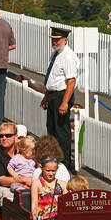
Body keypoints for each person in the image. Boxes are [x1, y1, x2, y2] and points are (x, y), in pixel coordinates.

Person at [40, 25, 79, 166]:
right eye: (53, 39)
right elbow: (52, 79)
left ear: (65, 40)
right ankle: (53, 159)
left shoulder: (68, 56)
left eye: (57, 39)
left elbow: (71, 81)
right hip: (53, 94)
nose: (54, 42)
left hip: (62, 95)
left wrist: (64, 102)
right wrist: (46, 97)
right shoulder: (55, 54)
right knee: (51, 128)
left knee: (61, 131)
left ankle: (64, 162)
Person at [0, 123, 27, 205]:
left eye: (8, 135)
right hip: (0, 190)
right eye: (1, 136)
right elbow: (2, 180)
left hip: (21, 186)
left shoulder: (22, 152)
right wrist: (24, 180)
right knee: (21, 198)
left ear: (16, 136)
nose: (4, 138)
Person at [31, 156, 64, 220]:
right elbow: (34, 205)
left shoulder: (62, 184)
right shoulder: (37, 183)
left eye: (53, 171)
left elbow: (65, 206)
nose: (51, 174)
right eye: (48, 171)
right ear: (42, 168)